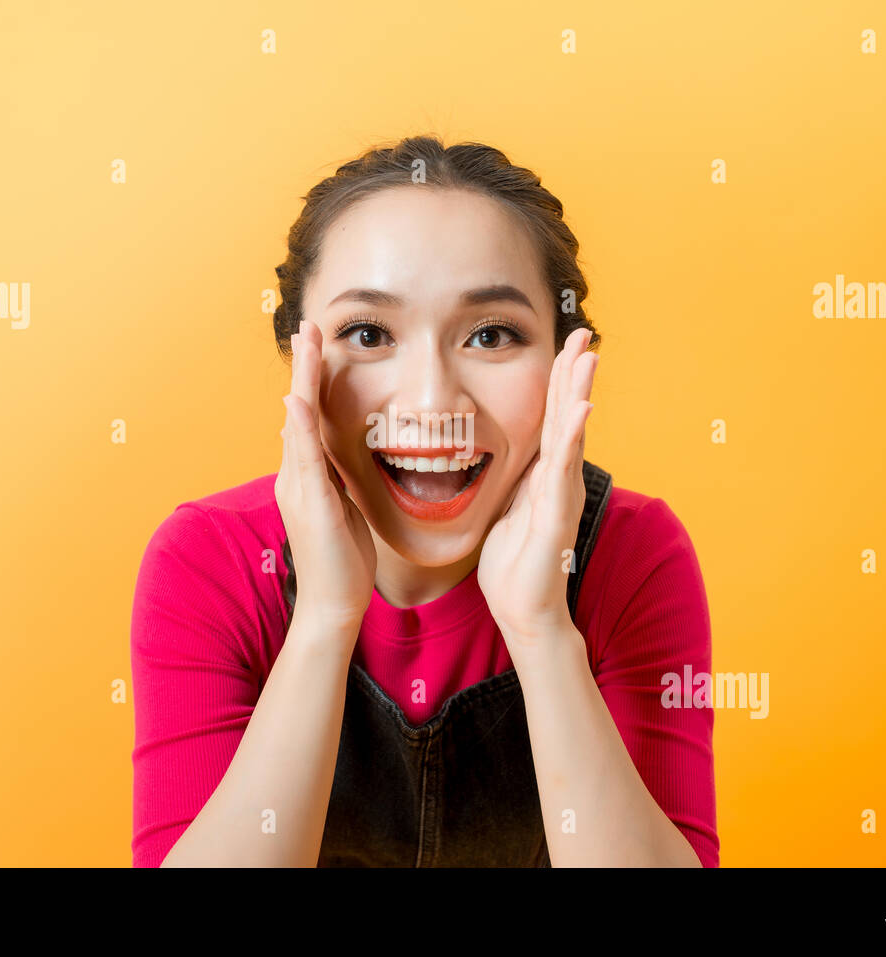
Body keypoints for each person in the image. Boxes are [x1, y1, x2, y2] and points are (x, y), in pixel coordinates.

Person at [130, 135, 718, 867]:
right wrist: (322, 617)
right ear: (300, 360)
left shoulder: (633, 556)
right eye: (369, 333)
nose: (432, 400)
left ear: (566, 364)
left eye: (492, 334)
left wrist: (541, 628)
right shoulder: (208, 563)